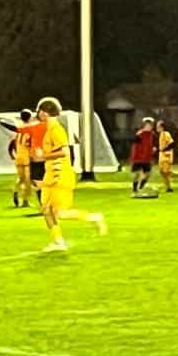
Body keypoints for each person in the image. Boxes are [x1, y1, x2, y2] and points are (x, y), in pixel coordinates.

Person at [36, 96, 107, 253]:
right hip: (51, 175)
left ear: (46, 112)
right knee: (46, 210)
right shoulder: (49, 130)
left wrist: (43, 156)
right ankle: (58, 241)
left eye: (40, 110)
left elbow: (64, 151)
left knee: (60, 213)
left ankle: (94, 218)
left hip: (59, 175)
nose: (38, 114)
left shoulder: (56, 129)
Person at [5, 108, 35, 208]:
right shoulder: (29, 130)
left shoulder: (19, 131)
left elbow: (11, 143)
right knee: (28, 181)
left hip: (19, 158)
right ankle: (25, 201)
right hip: (27, 158)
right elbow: (32, 144)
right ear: (30, 118)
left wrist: (12, 154)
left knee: (21, 179)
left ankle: (15, 190)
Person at [129, 118, 158, 197]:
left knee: (148, 174)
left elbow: (154, 144)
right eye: (148, 125)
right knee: (137, 174)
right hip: (138, 158)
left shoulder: (153, 135)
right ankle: (135, 189)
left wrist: (154, 149)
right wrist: (133, 159)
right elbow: (134, 148)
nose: (149, 127)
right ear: (144, 125)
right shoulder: (139, 135)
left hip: (147, 158)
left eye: (151, 125)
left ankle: (141, 187)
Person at [156, 118, 177, 193]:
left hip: (166, 156)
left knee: (166, 172)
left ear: (162, 127)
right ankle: (168, 187)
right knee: (162, 172)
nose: (156, 128)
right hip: (162, 155)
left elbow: (172, 144)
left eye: (157, 126)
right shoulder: (161, 134)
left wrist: (164, 150)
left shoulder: (166, 134)